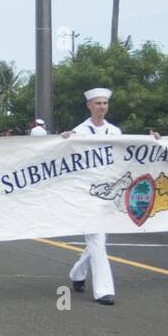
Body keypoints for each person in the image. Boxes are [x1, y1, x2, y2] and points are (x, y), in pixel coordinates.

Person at [62, 88, 121, 306]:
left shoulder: (115, 132)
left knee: (99, 238)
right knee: (97, 237)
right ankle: (104, 290)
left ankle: (77, 273)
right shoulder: (78, 132)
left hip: (110, 191)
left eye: (105, 103)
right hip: (85, 191)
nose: (102, 107)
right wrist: (64, 140)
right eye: (98, 103)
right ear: (89, 105)